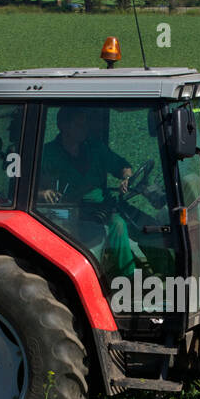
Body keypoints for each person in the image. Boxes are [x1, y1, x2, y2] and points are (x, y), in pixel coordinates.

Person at [37, 107, 137, 278]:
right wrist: (43, 193)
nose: (85, 129)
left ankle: (130, 278)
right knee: (114, 226)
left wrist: (126, 178)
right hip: (65, 213)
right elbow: (27, 188)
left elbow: (122, 166)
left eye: (86, 125)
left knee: (120, 223)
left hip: (99, 210)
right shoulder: (47, 154)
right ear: (63, 126)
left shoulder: (96, 149)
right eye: (79, 125)